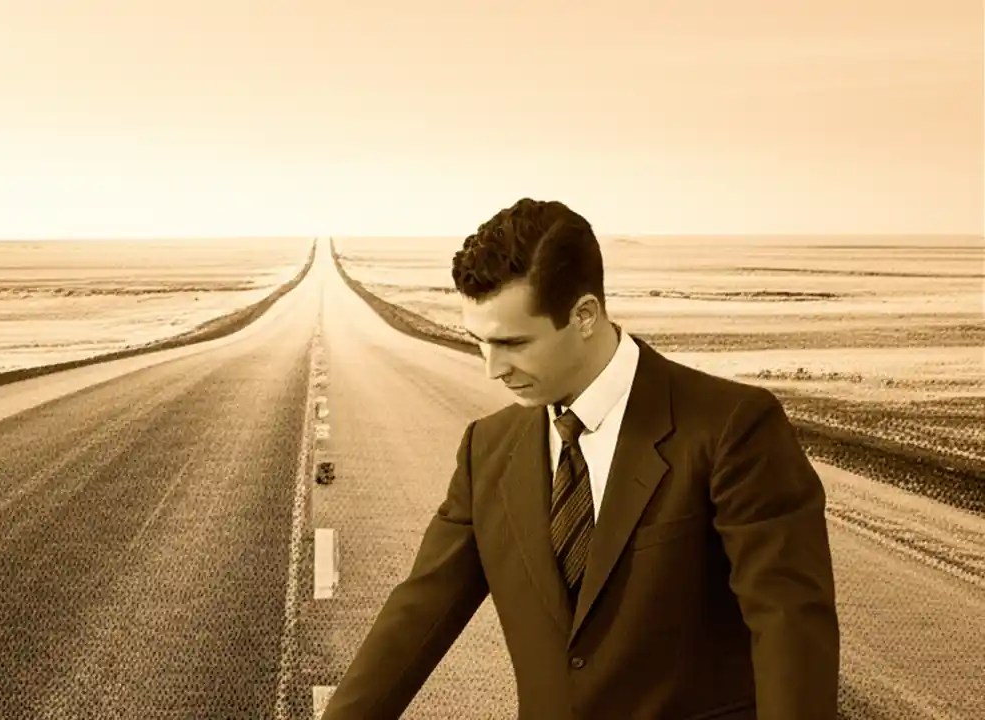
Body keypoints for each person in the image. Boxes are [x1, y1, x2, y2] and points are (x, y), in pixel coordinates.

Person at [318, 198, 839, 719]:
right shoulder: (487, 450)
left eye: (513, 343)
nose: (492, 369)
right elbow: (416, 616)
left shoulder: (732, 428)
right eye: (479, 342)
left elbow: (789, 627)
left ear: (584, 315)